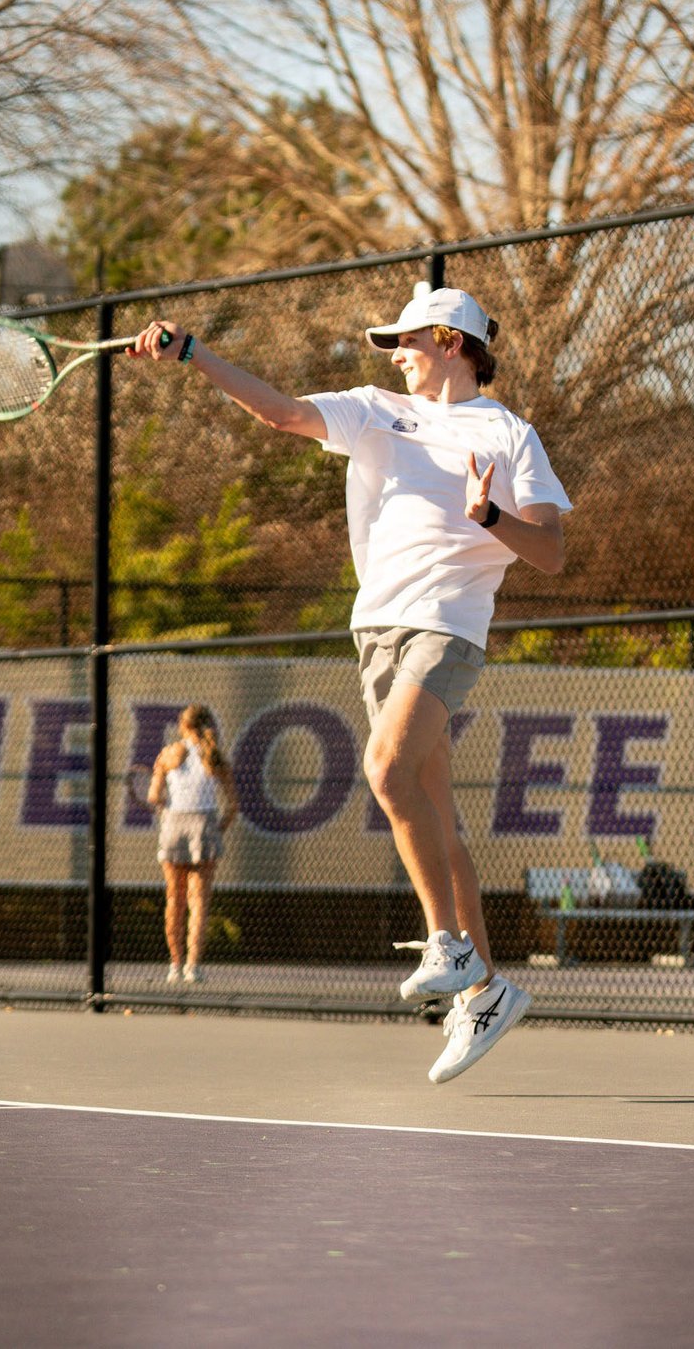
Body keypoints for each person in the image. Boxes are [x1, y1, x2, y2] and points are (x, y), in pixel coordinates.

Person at [130, 286, 571, 1080]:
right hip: (376, 630)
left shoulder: (508, 433)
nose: (393, 354)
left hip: (448, 626)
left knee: (384, 770)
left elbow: (552, 552)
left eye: (404, 340)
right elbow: (281, 412)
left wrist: (490, 519)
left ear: (449, 339)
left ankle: (448, 946)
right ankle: (489, 993)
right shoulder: (374, 408)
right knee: (436, 813)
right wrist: (193, 353)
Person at [148, 703, 239, 985]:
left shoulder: (167, 755)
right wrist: (216, 830)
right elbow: (233, 806)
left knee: (174, 900)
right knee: (199, 901)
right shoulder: (216, 757)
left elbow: (153, 796)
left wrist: (165, 807)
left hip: (174, 825)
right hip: (203, 826)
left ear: (183, 725)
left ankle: (174, 966)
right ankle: (192, 967)